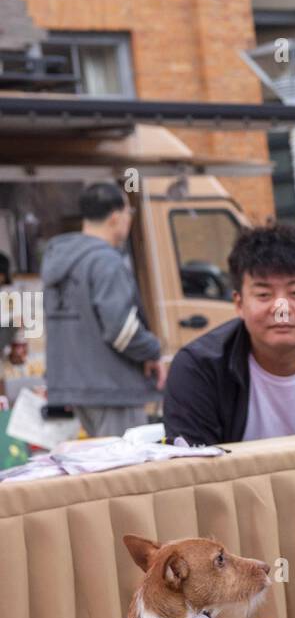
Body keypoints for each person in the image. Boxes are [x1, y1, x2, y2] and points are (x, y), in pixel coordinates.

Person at [163, 223, 295, 446]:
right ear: (239, 303)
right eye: (263, 294)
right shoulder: (199, 369)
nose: (281, 309)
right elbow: (190, 470)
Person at [42, 182, 163, 437]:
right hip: (113, 387)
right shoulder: (106, 261)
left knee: (97, 473)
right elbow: (120, 329)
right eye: (129, 213)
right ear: (116, 217)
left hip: (74, 388)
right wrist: (152, 350)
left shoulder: (59, 260)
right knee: (126, 471)